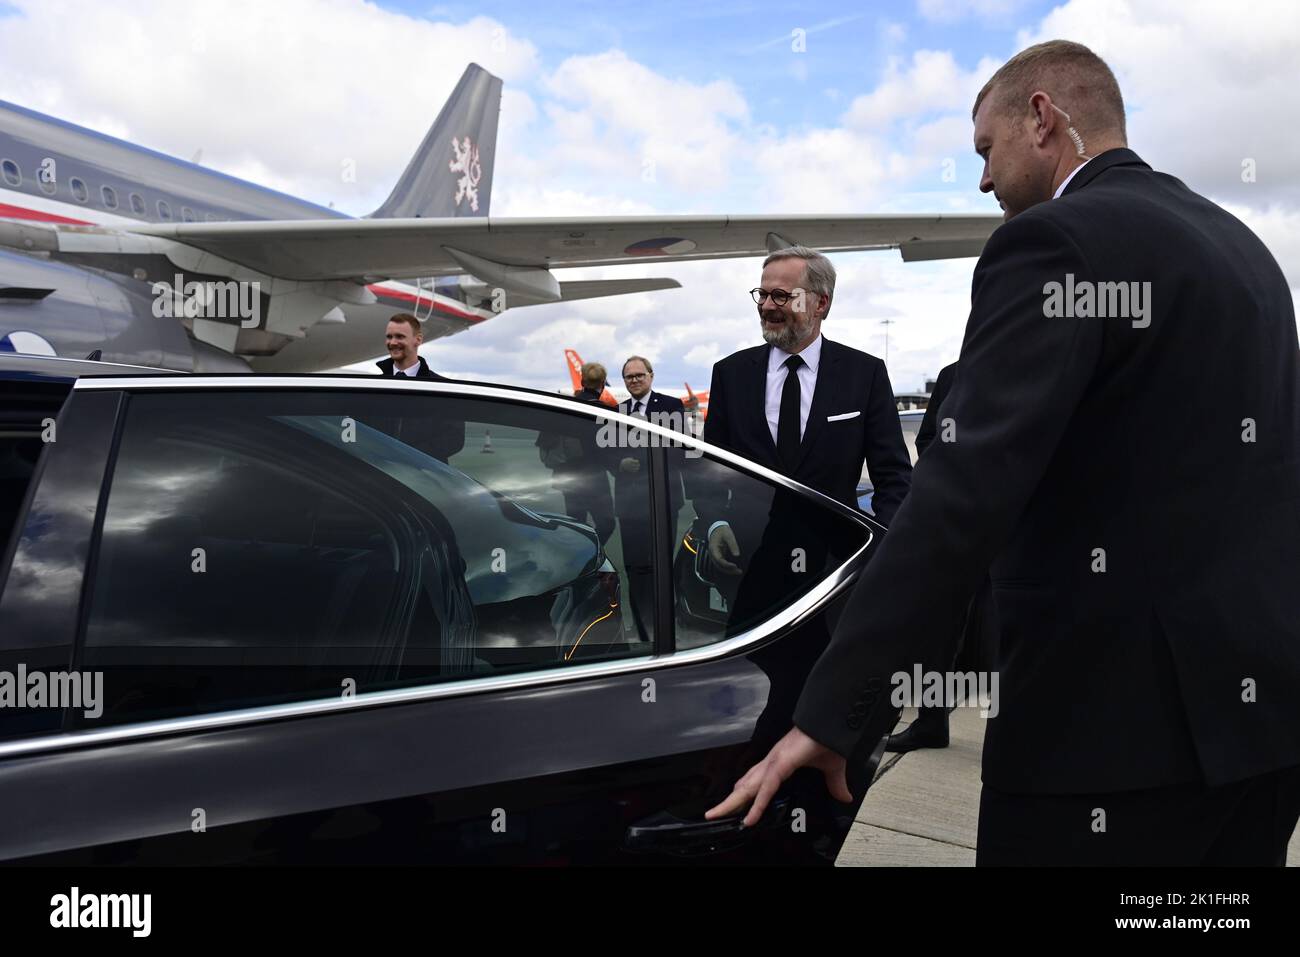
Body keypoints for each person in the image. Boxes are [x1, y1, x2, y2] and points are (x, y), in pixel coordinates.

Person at [707, 39, 1300, 866]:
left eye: (986, 150)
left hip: (1111, 747)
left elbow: (958, 500)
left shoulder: (1056, 243)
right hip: (1262, 731)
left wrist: (837, 712)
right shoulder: (1245, 251)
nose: (983, 181)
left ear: (1043, 118)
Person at [884, 361, 999, 753]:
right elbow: (927, 438)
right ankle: (931, 724)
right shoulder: (954, 375)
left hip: (1019, 525)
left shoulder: (1047, 366)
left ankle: (1015, 731)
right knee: (940, 627)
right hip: (959, 520)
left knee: (1012, 630)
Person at [610, 355, 686, 641]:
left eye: (639, 375)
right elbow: (606, 453)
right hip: (629, 505)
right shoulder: (617, 412)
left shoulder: (671, 406)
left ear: (651, 376)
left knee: (660, 564)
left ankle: (663, 624)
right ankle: (642, 626)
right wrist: (619, 464)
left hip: (663, 499)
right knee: (633, 567)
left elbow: (680, 450)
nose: (635, 381)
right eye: (629, 377)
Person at [374, 313, 464, 461]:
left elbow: (454, 439)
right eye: (389, 337)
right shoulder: (371, 389)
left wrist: (406, 457)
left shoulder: (443, 389)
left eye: (400, 337)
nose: (393, 342)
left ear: (418, 339)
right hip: (378, 475)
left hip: (423, 477)